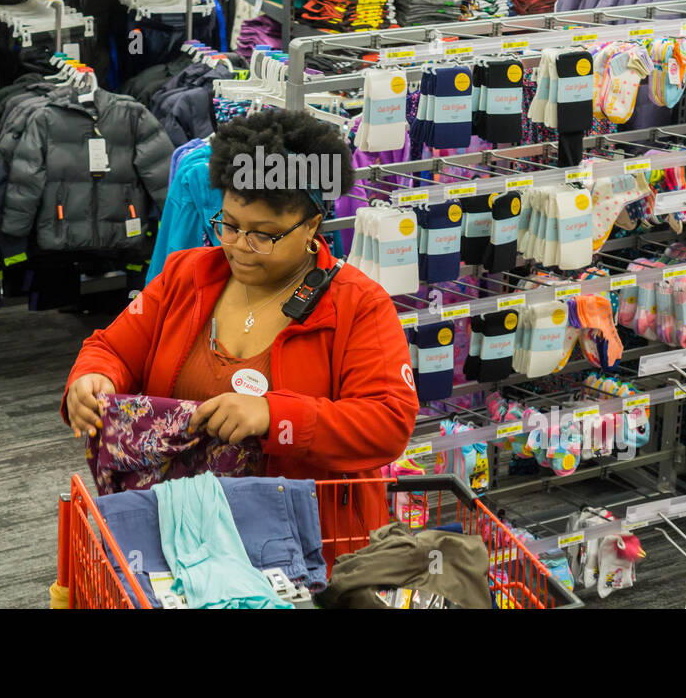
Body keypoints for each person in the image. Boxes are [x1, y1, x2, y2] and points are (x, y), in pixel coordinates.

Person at [63, 108, 419, 542]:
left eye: (263, 234)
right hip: (182, 538)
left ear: (312, 225)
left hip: (310, 550)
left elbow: (388, 422)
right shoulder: (187, 275)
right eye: (229, 225)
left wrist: (275, 415)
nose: (239, 247)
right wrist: (93, 377)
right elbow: (113, 348)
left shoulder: (358, 305)